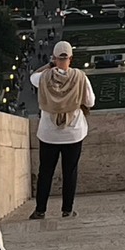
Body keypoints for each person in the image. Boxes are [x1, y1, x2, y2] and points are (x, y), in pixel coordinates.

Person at [29, 41, 95, 220]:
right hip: (73, 131)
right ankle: (67, 210)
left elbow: (33, 76)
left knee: (46, 172)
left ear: (54, 58)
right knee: (70, 172)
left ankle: (40, 210)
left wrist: (50, 65)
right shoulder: (80, 77)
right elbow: (90, 102)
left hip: (49, 133)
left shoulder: (43, 78)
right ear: (71, 58)